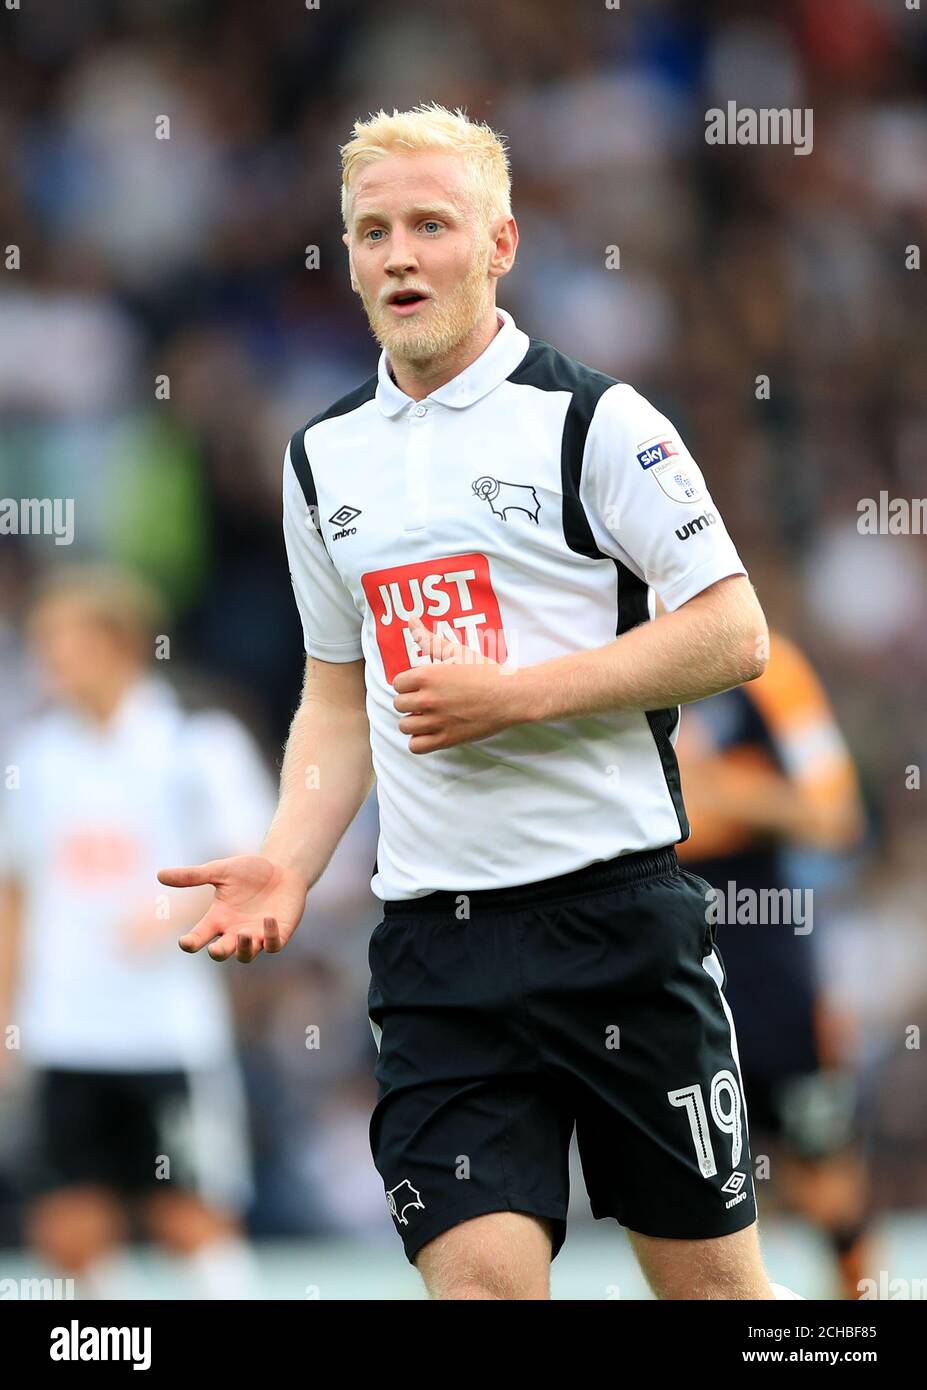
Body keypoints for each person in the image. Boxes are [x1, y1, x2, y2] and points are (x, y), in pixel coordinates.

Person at [160, 102, 801, 1300]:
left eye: (430, 225)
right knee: (479, 1289)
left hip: (615, 919)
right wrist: (291, 858)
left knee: (718, 1295)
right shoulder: (320, 457)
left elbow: (733, 630)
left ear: (500, 245)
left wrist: (516, 697)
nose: (399, 254)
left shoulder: (597, 422)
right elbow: (338, 698)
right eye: (371, 230)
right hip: (438, 950)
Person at [0, 565, 274, 1298]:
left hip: (166, 1028)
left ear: (120, 643)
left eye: (64, 639)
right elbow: (16, 895)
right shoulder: (34, 759)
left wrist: (162, 917)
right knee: (68, 1224)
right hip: (62, 1030)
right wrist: (7, 1022)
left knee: (188, 1209)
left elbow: (252, 869)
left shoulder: (195, 743)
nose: (49, 658)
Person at [674, 628, 872, 1297]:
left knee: (822, 1171)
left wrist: (706, 791)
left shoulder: (762, 663)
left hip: (766, 969)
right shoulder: (583, 653)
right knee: (682, 1186)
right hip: (656, 965)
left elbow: (832, 815)